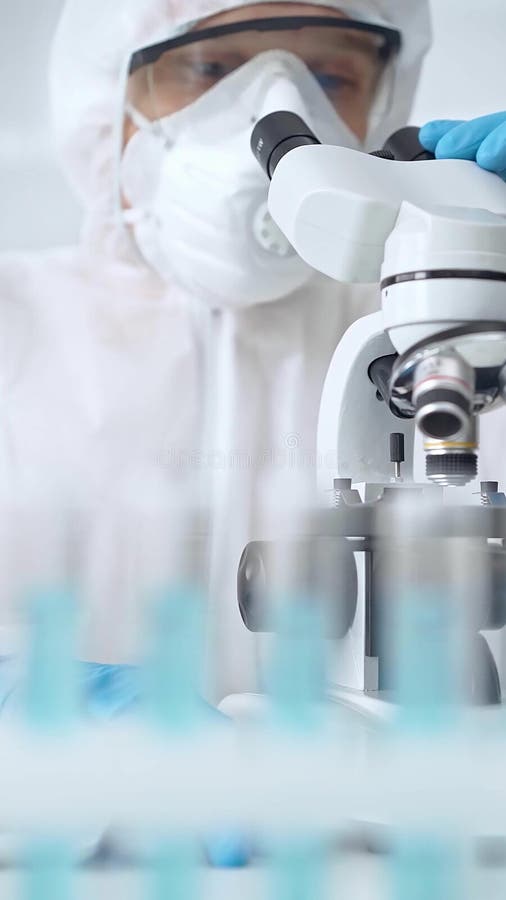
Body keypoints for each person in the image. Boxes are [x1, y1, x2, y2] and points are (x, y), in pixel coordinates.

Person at [3, 0, 505, 715]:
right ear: (105, 97)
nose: (279, 102)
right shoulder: (14, 326)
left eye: (331, 79)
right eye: (209, 67)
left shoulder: (445, 320)